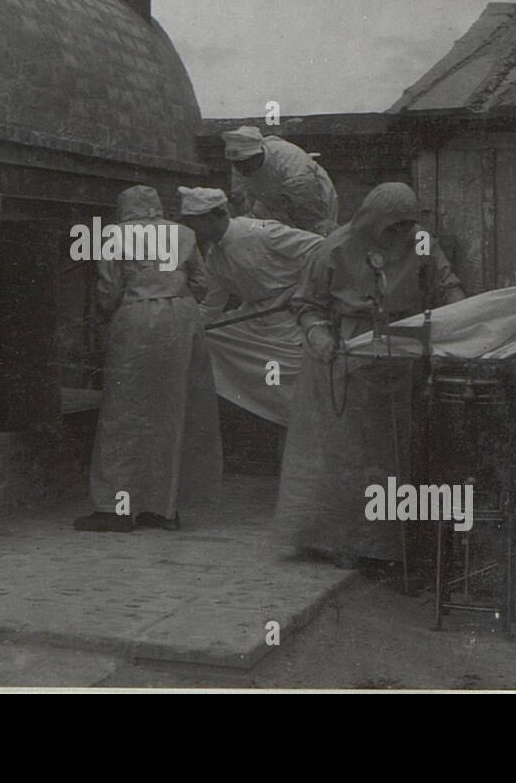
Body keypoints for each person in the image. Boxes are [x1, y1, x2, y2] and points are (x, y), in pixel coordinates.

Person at [275, 182, 464, 569]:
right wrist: (319, 333)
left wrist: (462, 316)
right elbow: (306, 303)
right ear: (372, 220)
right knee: (339, 454)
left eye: (407, 225)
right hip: (342, 354)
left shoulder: (421, 243)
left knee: (388, 453)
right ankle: (328, 539)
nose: (401, 234)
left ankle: (379, 545)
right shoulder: (336, 248)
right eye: (392, 226)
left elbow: (446, 285)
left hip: (399, 353)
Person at [76, 186, 222, 533]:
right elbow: (202, 283)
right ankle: (164, 507)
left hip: (138, 318)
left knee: (124, 411)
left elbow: (109, 289)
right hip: (183, 318)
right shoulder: (184, 233)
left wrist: (102, 314)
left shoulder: (115, 234)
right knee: (173, 410)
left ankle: (116, 506)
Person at [179, 186, 324, 426]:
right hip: (257, 317)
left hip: (294, 315)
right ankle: (256, 412)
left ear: (210, 217)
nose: (192, 230)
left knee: (283, 380)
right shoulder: (215, 256)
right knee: (208, 338)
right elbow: (212, 306)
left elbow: (321, 249)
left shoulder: (260, 232)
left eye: (193, 222)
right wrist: (184, 327)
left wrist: (300, 291)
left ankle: (289, 421)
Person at [221, 125, 339, 236]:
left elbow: (309, 209)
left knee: (317, 235)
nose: (241, 169)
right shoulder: (240, 164)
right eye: (236, 164)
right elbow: (245, 210)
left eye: (245, 163)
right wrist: (240, 202)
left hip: (312, 200)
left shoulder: (289, 158)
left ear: (258, 155)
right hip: (273, 205)